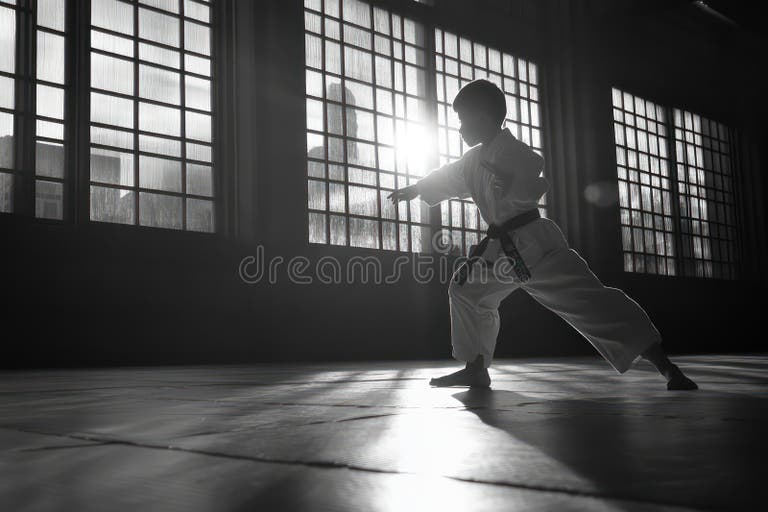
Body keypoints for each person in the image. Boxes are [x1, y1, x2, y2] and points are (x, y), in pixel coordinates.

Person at [387, 79, 698, 391]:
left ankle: (667, 368)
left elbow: (531, 177)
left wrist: (511, 183)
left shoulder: (517, 154)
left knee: (590, 302)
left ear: (482, 117)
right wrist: (417, 188)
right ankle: (476, 367)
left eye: (463, 120)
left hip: (534, 245)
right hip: (501, 252)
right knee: (466, 290)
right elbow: (448, 177)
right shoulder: (473, 160)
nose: (460, 129)